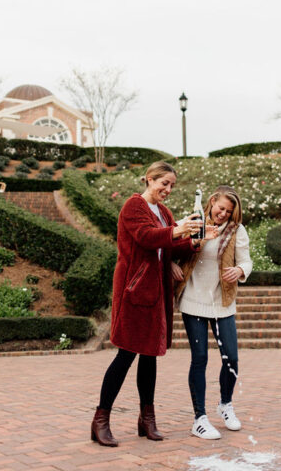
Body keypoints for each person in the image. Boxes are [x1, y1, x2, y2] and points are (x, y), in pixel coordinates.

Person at [90, 161, 216, 447]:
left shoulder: (164, 212)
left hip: (156, 292)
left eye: (171, 185)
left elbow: (170, 244)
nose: (168, 189)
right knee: (126, 355)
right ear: (149, 179)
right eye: (163, 183)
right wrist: (180, 229)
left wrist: (197, 239)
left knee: (149, 356)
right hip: (135, 289)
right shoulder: (134, 207)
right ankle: (101, 420)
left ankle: (147, 420)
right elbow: (147, 238)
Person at [172, 185, 253, 440]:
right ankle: (199, 418)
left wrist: (240, 271)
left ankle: (225, 404)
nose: (223, 214)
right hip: (193, 299)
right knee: (200, 358)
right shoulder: (193, 222)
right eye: (221, 208)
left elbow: (246, 260)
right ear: (212, 201)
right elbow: (171, 248)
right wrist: (171, 266)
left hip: (222, 301)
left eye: (228, 212)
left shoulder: (236, 231)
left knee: (231, 357)